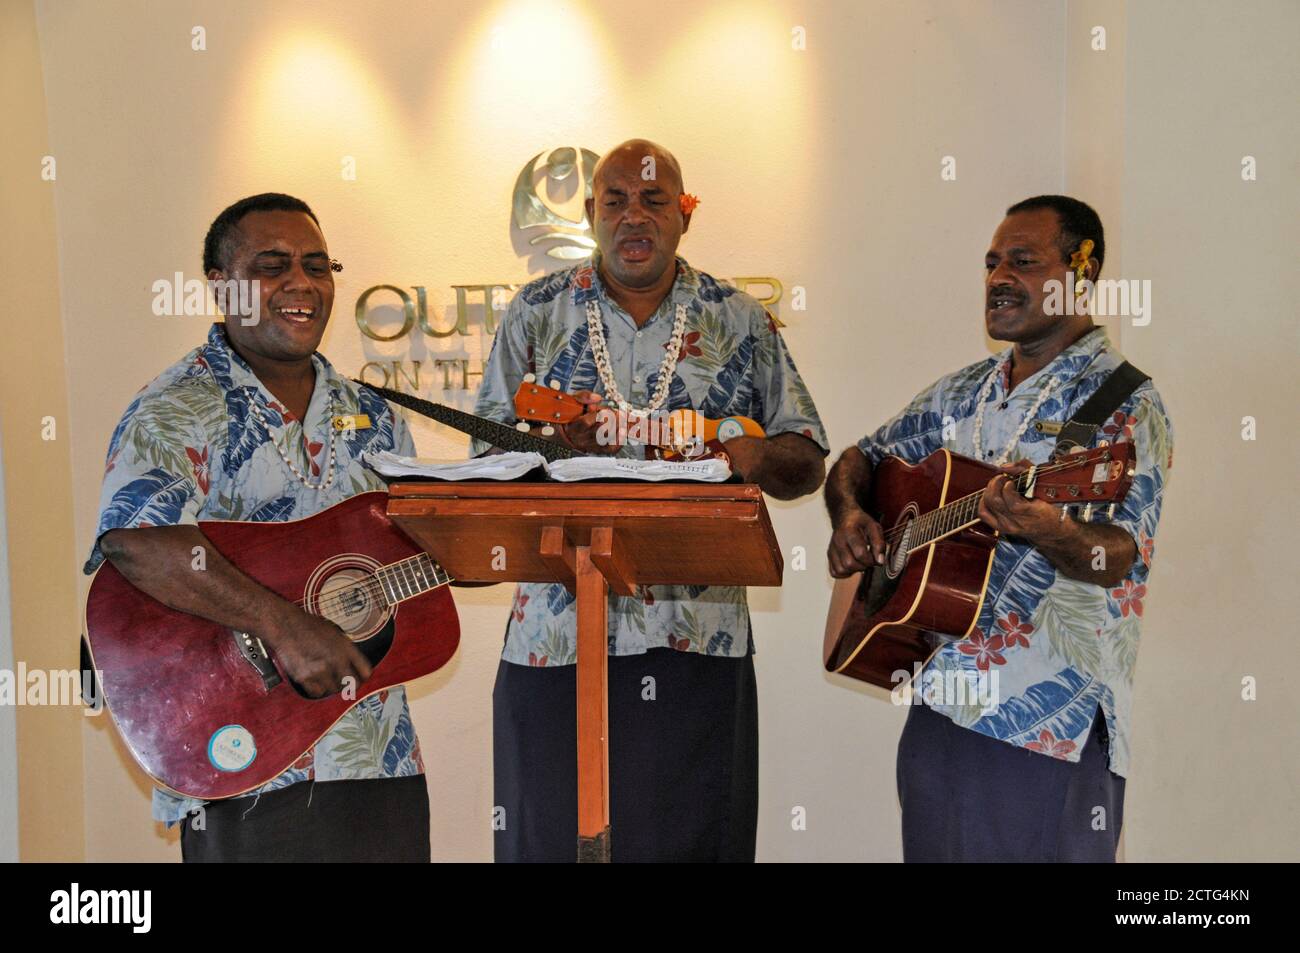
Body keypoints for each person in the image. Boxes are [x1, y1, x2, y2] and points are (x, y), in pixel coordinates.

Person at [473, 140, 829, 861]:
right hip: (555, 639)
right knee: (548, 841)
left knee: (694, 840)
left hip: (697, 636)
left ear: (684, 214)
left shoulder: (740, 318)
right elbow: (486, 466)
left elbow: (807, 458)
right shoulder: (537, 311)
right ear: (589, 213)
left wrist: (756, 456)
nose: (635, 216)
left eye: (654, 199)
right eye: (616, 200)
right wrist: (550, 447)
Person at [824, 195, 1173, 862]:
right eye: (990, 264)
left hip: (1046, 724)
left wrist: (1050, 530)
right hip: (939, 705)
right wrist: (851, 515)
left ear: (1082, 271)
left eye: (1023, 261)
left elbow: (1118, 558)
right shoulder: (964, 392)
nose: (999, 278)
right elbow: (858, 458)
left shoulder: (1123, 401)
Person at [85, 193, 430, 862]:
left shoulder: (377, 415)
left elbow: (420, 549)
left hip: (375, 756)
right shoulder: (175, 407)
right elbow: (137, 542)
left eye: (316, 264)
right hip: (236, 757)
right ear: (220, 287)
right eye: (272, 265)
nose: (301, 283)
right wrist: (282, 623)